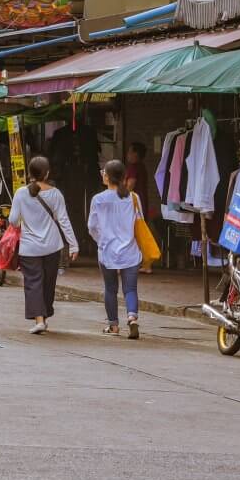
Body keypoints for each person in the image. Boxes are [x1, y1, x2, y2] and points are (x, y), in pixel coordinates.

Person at [10, 155, 78, 334]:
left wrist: (25, 221)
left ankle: (39, 320)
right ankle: (43, 318)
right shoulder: (56, 194)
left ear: (30, 173)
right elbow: (64, 221)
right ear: (47, 173)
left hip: (29, 247)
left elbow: (13, 220)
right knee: (48, 283)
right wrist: (73, 244)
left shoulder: (21, 193)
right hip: (52, 247)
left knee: (33, 282)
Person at [89, 159, 144, 338]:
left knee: (110, 288)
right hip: (130, 250)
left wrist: (101, 241)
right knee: (130, 289)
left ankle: (113, 326)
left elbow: (92, 226)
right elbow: (139, 222)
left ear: (106, 176)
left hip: (107, 250)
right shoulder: (133, 197)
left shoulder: (98, 199)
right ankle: (132, 318)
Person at [123, 141, 158, 275]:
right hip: (141, 203)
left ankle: (143, 263)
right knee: (140, 233)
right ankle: (145, 263)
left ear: (136, 154)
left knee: (135, 233)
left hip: (133, 205)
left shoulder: (133, 167)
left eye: (130, 152)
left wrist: (119, 196)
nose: (128, 154)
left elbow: (130, 184)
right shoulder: (141, 167)